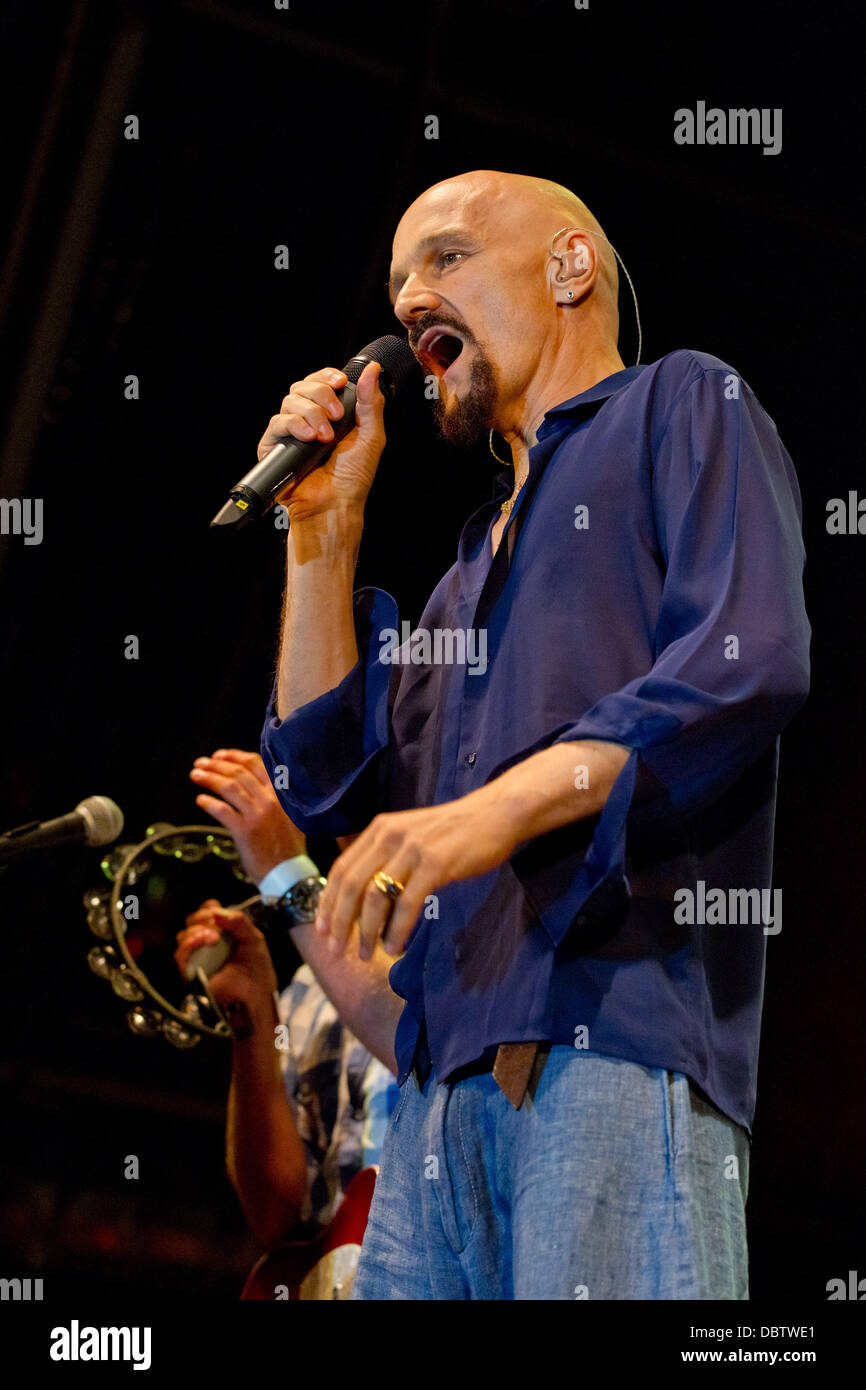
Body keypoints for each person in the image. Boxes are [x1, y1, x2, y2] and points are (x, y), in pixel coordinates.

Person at [257, 170, 811, 1299]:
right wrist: (322, 530)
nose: (410, 298)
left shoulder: (680, 405)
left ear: (568, 268)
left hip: (606, 1054)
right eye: (400, 276)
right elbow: (318, 780)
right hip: (425, 1111)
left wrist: (491, 809)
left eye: (446, 259)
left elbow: (745, 656)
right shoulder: (464, 581)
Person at [174, 748, 402, 1248]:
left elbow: (412, 1041)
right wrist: (251, 1012)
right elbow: (274, 1213)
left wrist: (283, 870)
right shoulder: (309, 987)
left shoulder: (483, 945)